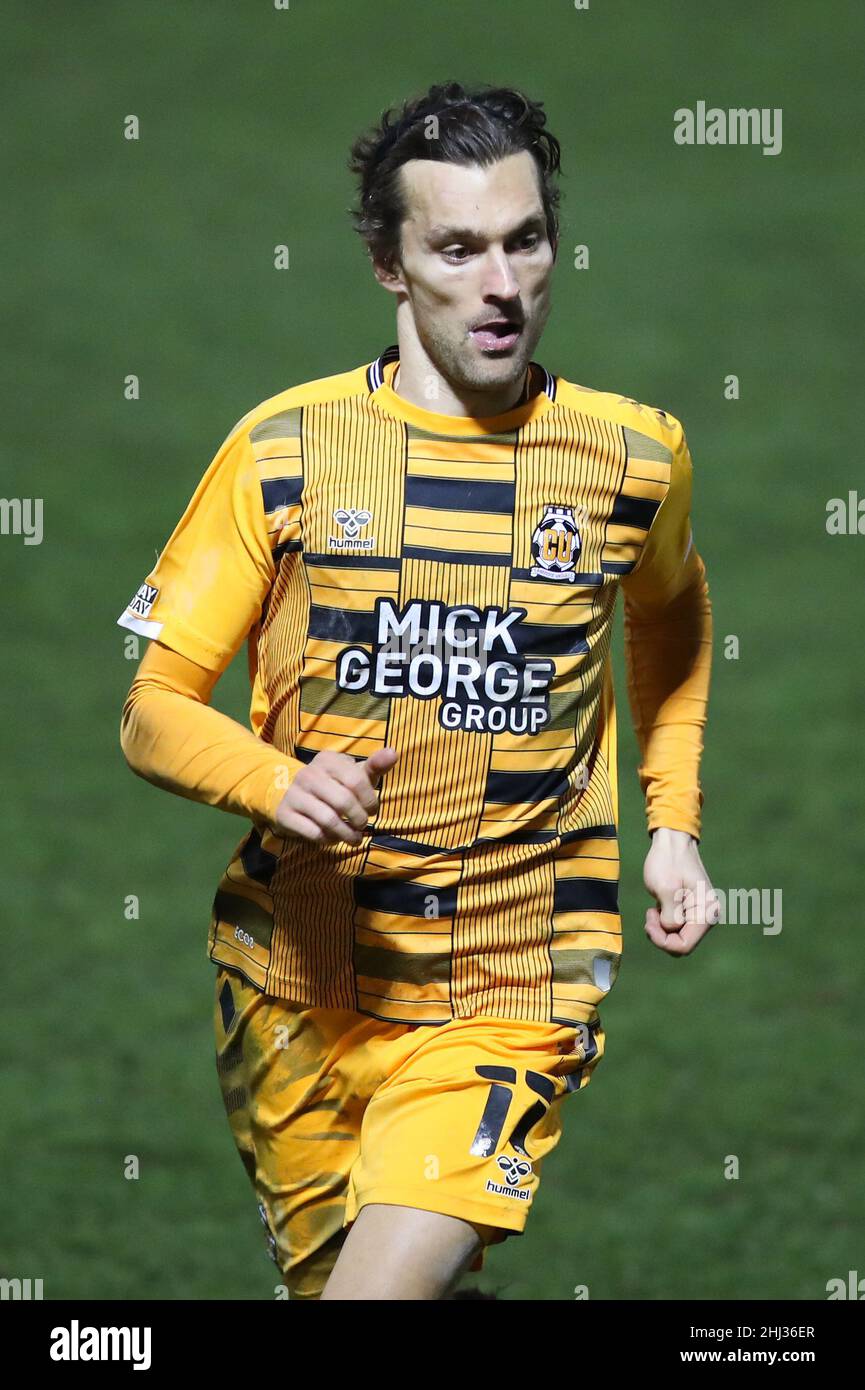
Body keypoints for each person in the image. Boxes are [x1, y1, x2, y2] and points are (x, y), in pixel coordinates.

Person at [118, 81, 717, 1301]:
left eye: (526, 239)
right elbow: (152, 707)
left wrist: (676, 824)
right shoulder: (282, 451)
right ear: (390, 265)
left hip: (515, 977)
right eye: (457, 248)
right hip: (295, 976)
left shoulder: (629, 460)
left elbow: (671, 618)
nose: (503, 284)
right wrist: (278, 782)